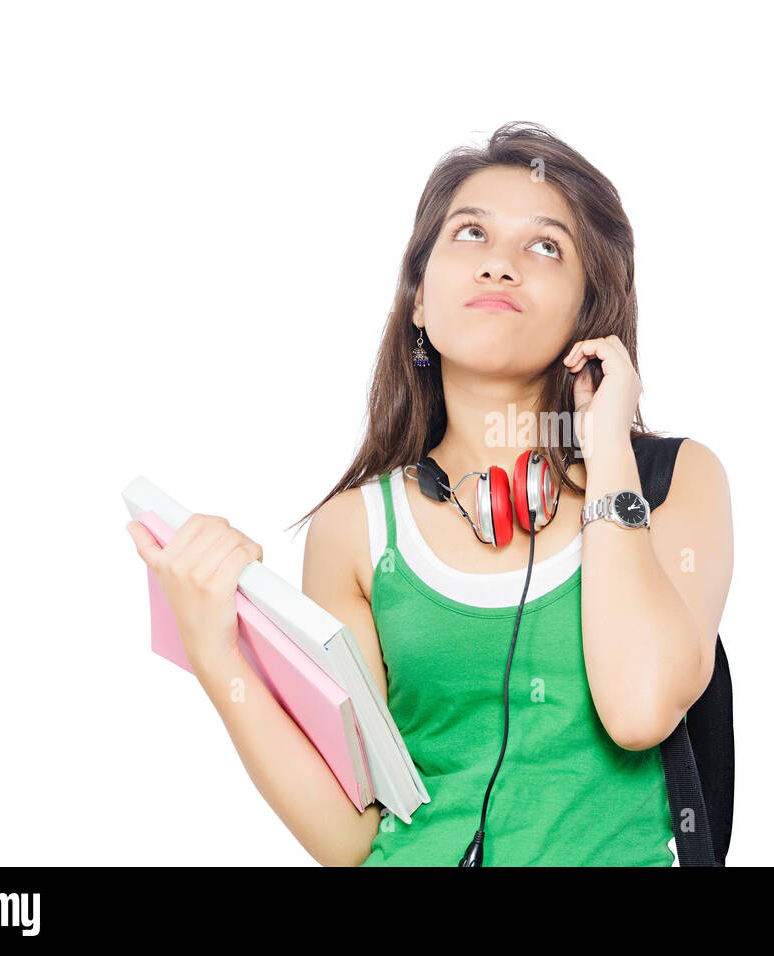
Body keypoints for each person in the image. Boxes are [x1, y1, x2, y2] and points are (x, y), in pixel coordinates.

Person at [125, 121, 734, 866]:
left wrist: (606, 448)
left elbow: (640, 709)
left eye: (546, 246)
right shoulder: (356, 530)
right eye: (470, 234)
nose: (500, 265)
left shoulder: (672, 483)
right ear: (418, 299)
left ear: (588, 313)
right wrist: (216, 653)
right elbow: (354, 834)